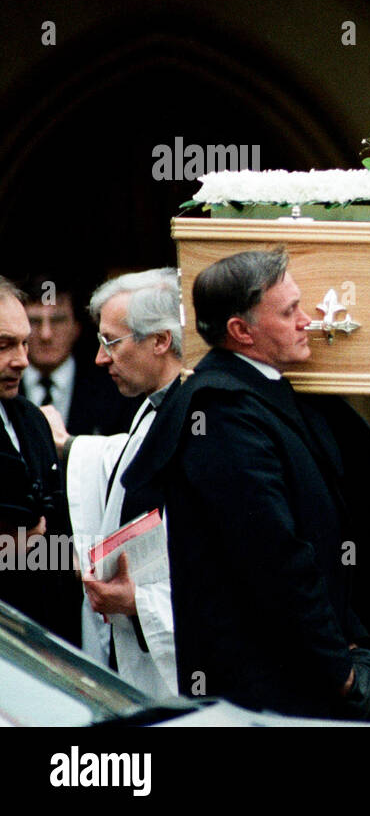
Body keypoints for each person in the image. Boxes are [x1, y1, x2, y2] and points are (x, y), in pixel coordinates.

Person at [123, 247, 370, 720]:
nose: (307, 321)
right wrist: (340, 672)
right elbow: (275, 557)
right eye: (290, 312)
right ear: (241, 331)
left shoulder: (262, 397)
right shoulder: (222, 413)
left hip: (298, 684)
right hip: (271, 695)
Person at [45, 269, 184, 697]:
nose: (100, 359)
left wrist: (140, 603)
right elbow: (126, 455)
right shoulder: (157, 406)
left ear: (160, 341)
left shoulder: (203, 417)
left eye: (111, 342)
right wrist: (67, 447)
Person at [0, 276, 81, 646]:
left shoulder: (32, 419)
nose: (22, 360)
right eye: (4, 346)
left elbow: (55, 537)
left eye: (23, 344)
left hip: (46, 638)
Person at [21, 277, 138, 436]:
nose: (45, 334)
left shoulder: (115, 388)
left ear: (76, 327)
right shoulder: (4, 385)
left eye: (57, 320)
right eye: (34, 321)